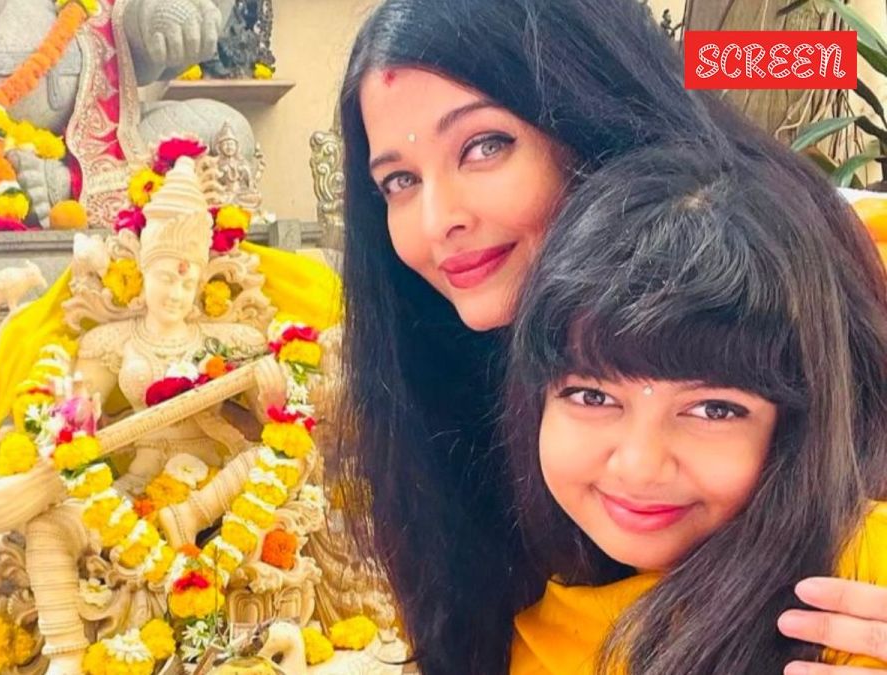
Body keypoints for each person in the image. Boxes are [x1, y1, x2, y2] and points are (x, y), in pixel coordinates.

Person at [333, 0, 887, 671]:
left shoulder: (786, 282)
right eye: (398, 180)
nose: (435, 219)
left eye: (485, 146)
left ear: (587, 119)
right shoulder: (442, 366)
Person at [506, 143, 887, 673]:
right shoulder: (534, 631)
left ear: (796, 424)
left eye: (713, 410)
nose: (639, 466)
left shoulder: (859, 590)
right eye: (593, 397)